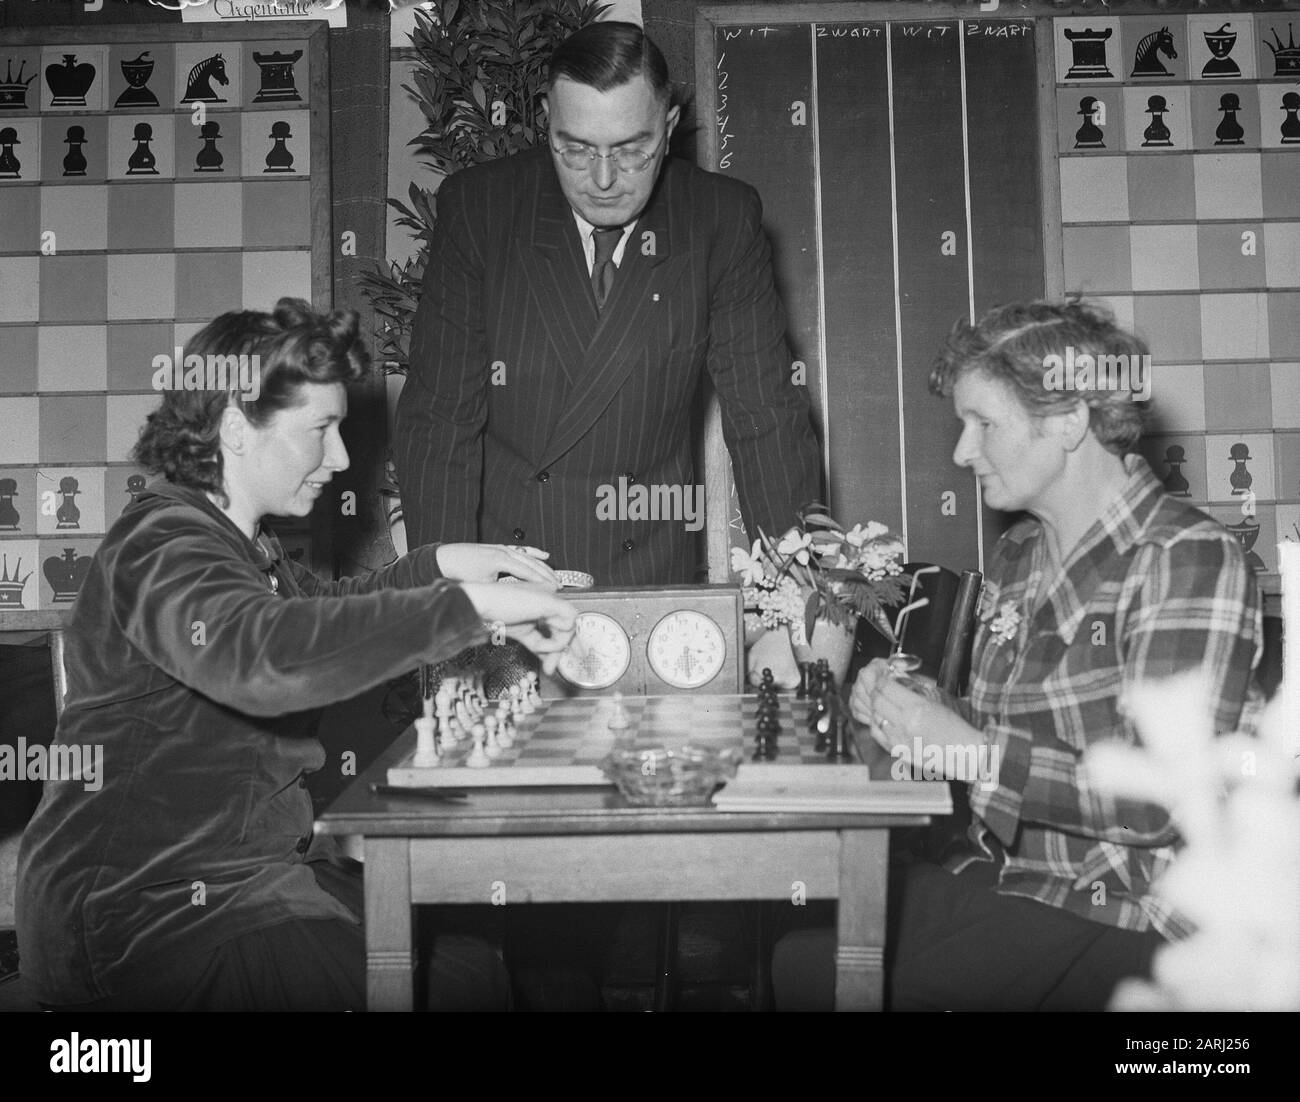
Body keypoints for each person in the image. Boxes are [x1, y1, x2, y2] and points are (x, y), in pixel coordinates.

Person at [15, 300, 576, 1012]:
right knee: (457, 989)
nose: (342, 458)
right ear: (234, 428)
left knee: (471, 965)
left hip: (236, 882)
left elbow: (323, 612)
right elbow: (262, 659)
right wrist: (465, 610)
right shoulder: (162, 545)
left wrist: (449, 565)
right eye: (321, 430)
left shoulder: (242, 544)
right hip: (143, 920)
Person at [772, 300, 1266, 1011]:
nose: (961, 452)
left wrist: (968, 751)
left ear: (1068, 419)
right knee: (798, 956)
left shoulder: (1186, 557)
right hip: (1017, 880)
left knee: (839, 985)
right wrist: (916, 712)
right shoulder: (1018, 553)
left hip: (1134, 913)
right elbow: (1009, 727)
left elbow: (1163, 794)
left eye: (984, 424)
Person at [394, 20, 820, 586]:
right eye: (575, 148)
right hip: (509, 571)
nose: (602, 180)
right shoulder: (482, 211)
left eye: (630, 150)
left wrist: (800, 593)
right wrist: (445, 601)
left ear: (668, 128)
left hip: (646, 567)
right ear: (547, 122)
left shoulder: (719, 220)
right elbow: (439, 423)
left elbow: (766, 418)